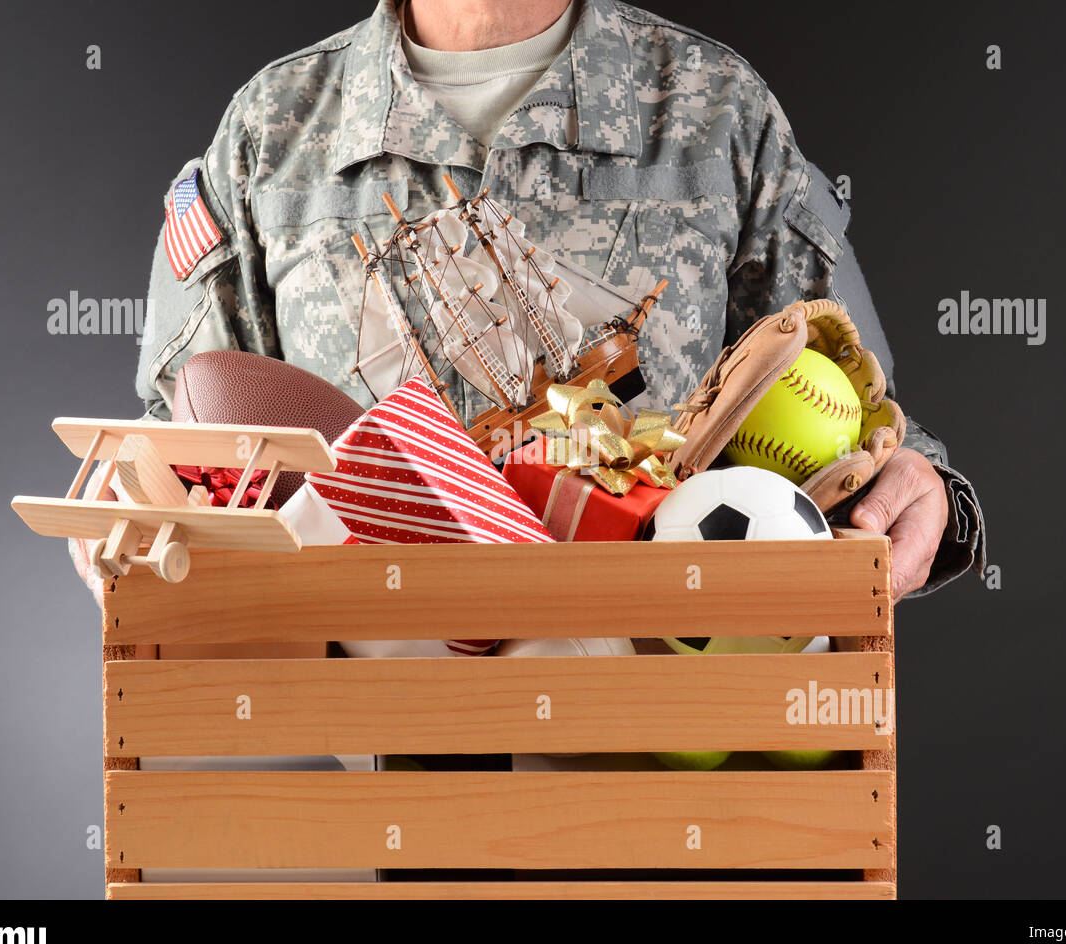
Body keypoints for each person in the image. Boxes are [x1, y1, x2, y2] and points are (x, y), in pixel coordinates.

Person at [74, 0, 984, 600]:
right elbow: (183, 443)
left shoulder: (717, 113)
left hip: (672, 760)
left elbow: (865, 421)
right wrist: (140, 512)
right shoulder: (268, 140)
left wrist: (922, 491)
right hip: (365, 768)